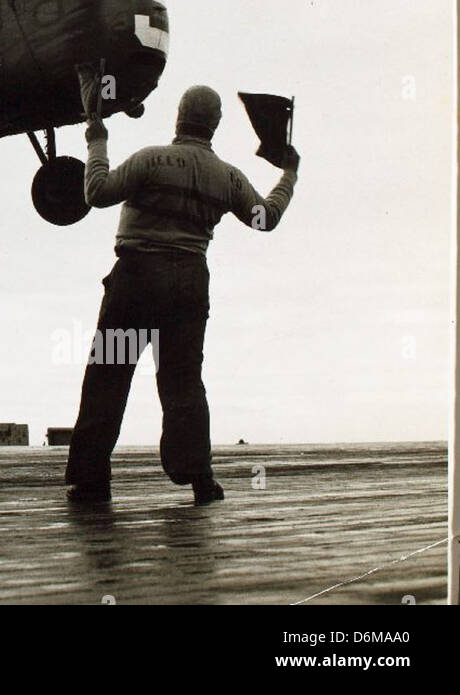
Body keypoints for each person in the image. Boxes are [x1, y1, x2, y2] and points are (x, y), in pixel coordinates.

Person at [64, 82, 299, 506]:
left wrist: (96, 140)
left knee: (109, 378)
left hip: (135, 282)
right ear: (215, 125)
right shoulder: (227, 176)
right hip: (190, 285)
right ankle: (200, 481)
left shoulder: (151, 159)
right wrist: (288, 175)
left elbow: (96, 193)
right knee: (183, 382)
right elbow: (266, 218)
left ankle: (91, 481)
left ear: (179, 116)